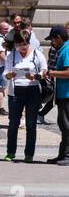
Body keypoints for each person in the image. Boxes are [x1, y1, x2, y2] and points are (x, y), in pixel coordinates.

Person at [3, 31, 47, 163]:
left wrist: (36, 75)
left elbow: (44, 71)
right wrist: (10, 74)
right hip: (15, 91)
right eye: (20, 44)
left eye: (25, 43)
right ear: (16, 44)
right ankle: (10, 152)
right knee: (13, 124)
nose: (23, 47)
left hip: (32, 90)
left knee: (31, 124)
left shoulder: (36, 54)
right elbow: (5, 72)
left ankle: (29, 154)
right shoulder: (12, 55)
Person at [44, 25, 69, 167]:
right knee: (63, 125)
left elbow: (68, 72)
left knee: (67, 126)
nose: (52, 43)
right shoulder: (63, 49)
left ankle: (67, 155)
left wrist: (51, 73)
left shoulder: (67, 50)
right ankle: (62, 154)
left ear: (58, 38)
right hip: (62, 94)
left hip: (67, 95)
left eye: (53, 40)